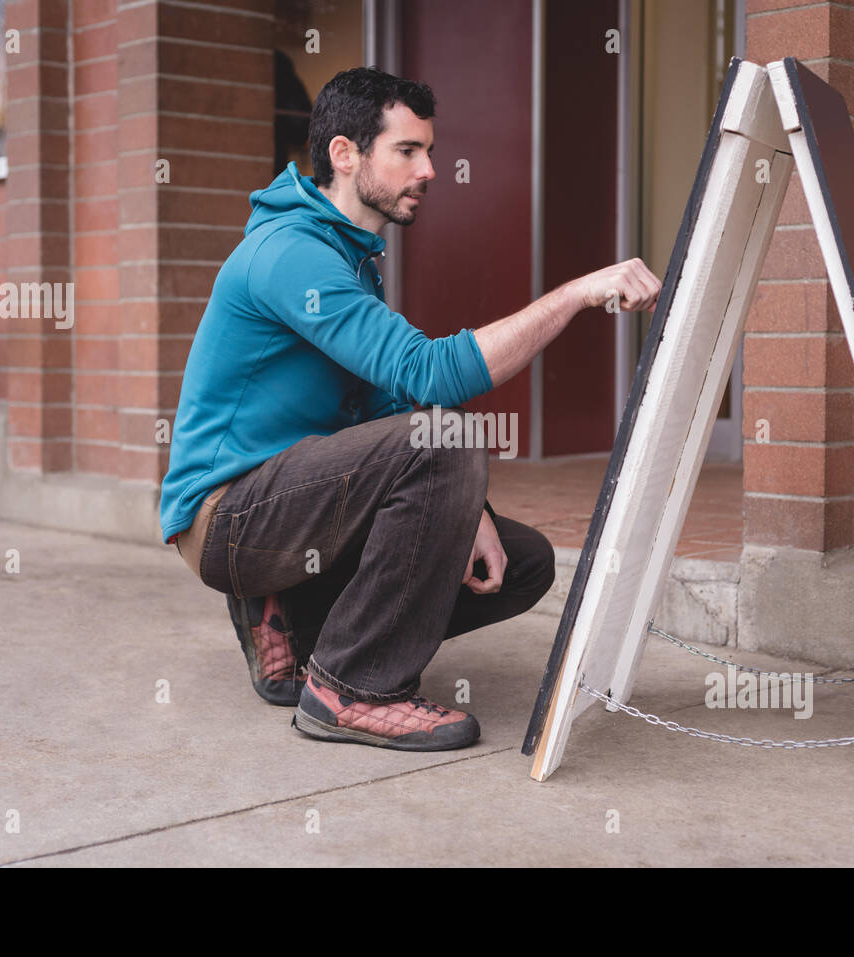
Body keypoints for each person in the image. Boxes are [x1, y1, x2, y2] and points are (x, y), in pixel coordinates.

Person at [159, 67, 661, 752]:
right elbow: (430, 374)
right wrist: (575, 293)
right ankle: (350, 687)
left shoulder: (351, 257)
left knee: (520, 564)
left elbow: (392, 400)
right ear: (345, 154)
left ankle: (294, 618)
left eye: (429, 150)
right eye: (407, 151)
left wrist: (469, 510)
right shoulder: (289, 255)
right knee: (447, 434)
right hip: (229, 518)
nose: (429, 169)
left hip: (294, 501)